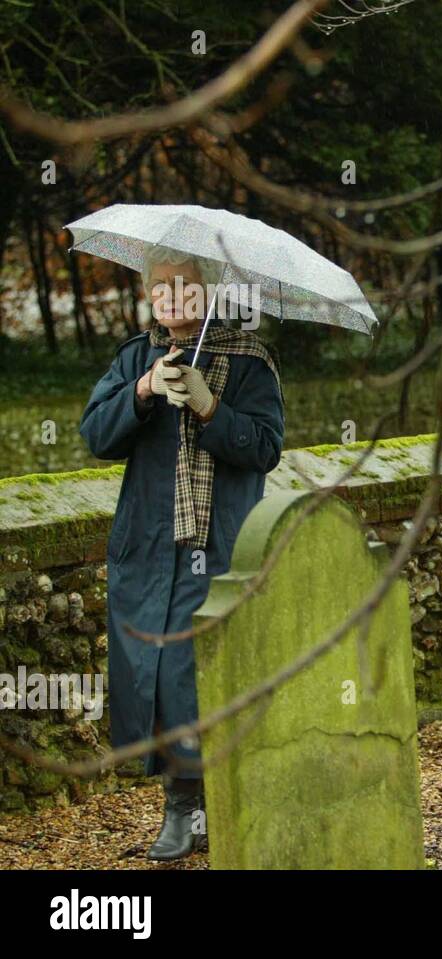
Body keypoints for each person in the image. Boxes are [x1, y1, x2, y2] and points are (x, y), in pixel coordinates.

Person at [79, 245, 284, 859]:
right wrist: (142, 390)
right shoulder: (135, 357)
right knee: (152, 675)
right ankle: (185, 802)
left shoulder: (249, 362)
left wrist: (209, 406)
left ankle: (194, 804)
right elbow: (96, 435)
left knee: (193, 673)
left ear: (210, 294)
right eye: (161, 288)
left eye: (185, 287)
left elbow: (265, 448)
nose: (172, 298)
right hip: (148, 546)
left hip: (217, 545)